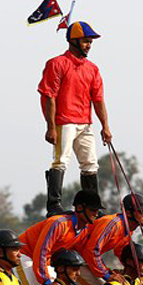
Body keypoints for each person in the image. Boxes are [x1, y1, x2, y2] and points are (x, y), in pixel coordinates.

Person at [38, 20, 112, 217]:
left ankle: (92, 207)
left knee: (90, 164)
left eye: (90, 42)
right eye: (86, 41)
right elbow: (49, 97)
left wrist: (105, 126)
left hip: (85, 122)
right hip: (64, 120)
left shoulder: (92, 69)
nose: (89, 45)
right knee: (60, 161)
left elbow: (98, 99)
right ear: (74, 41)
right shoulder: (57, 64)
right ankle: (54, 205)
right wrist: (51, 126)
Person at [17, 190, 106, 285]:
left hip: (42, 262)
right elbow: (42, 252)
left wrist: (107, 273)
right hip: (24, 255)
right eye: (92, 210)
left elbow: (88, 254)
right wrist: (46, 281)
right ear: (79, 208)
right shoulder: (58, 224)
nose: (96, 214)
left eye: (97, 210)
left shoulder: (83, 231)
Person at [73, 193, 143, 285]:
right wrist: (107, 275)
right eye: (142, 212)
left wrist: (132, 270)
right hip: (76, 258)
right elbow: (92, 251)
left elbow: (121, 251)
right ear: (128, 213)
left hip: (86, 259)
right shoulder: (113, 224)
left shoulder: (128, 229)